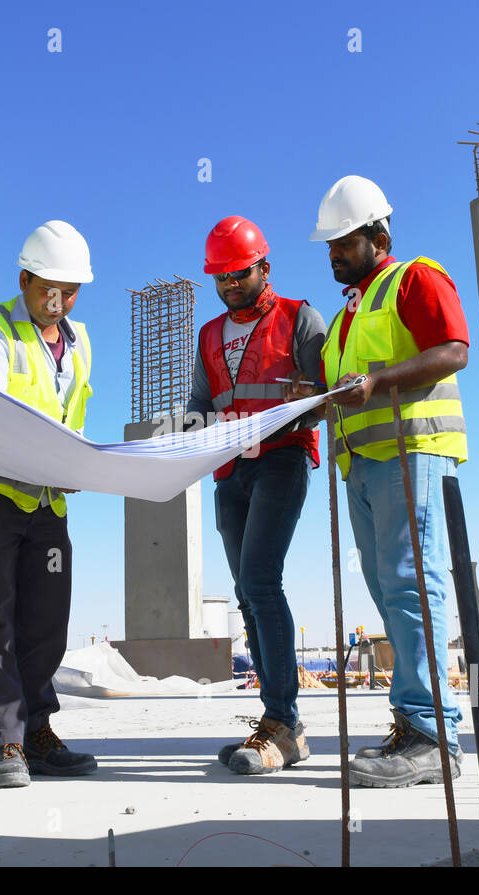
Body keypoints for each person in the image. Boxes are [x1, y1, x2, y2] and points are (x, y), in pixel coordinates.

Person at [302, 175, 470, 788]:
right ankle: (414, 721)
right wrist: (312, 401)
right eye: (329, 247)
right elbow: (341, 395)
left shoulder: (415, 278)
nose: (333, 255)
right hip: (364, 464)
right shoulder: (350, 312)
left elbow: (452, 350)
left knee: (413, 586)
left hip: (412, 453)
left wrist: (378, 384)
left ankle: (434, 736)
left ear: (378, 236)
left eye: (342, 243)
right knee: (389, 589)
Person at [0, 221, 98, 788]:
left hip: (47, 502)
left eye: (71, 289)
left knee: (46, 624)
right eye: (48, 288)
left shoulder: (79, 341)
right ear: (24, 278)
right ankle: (5, 741)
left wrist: (79, 463)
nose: (59, 301)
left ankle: (37, 729)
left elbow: (69, 419)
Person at [186, 216, 326, 774]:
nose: (228, 286)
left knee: (262, 580)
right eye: (219, 278)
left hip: (282, 460)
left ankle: (282, 720)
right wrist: (183, 432)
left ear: (263, 268)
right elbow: (202, 401)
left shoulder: (300, 317)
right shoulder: (210, 334)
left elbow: (327, 392)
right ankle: (279, 725)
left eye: (238, 275)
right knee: (246, 590)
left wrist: (309, 396)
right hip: (230, 473)